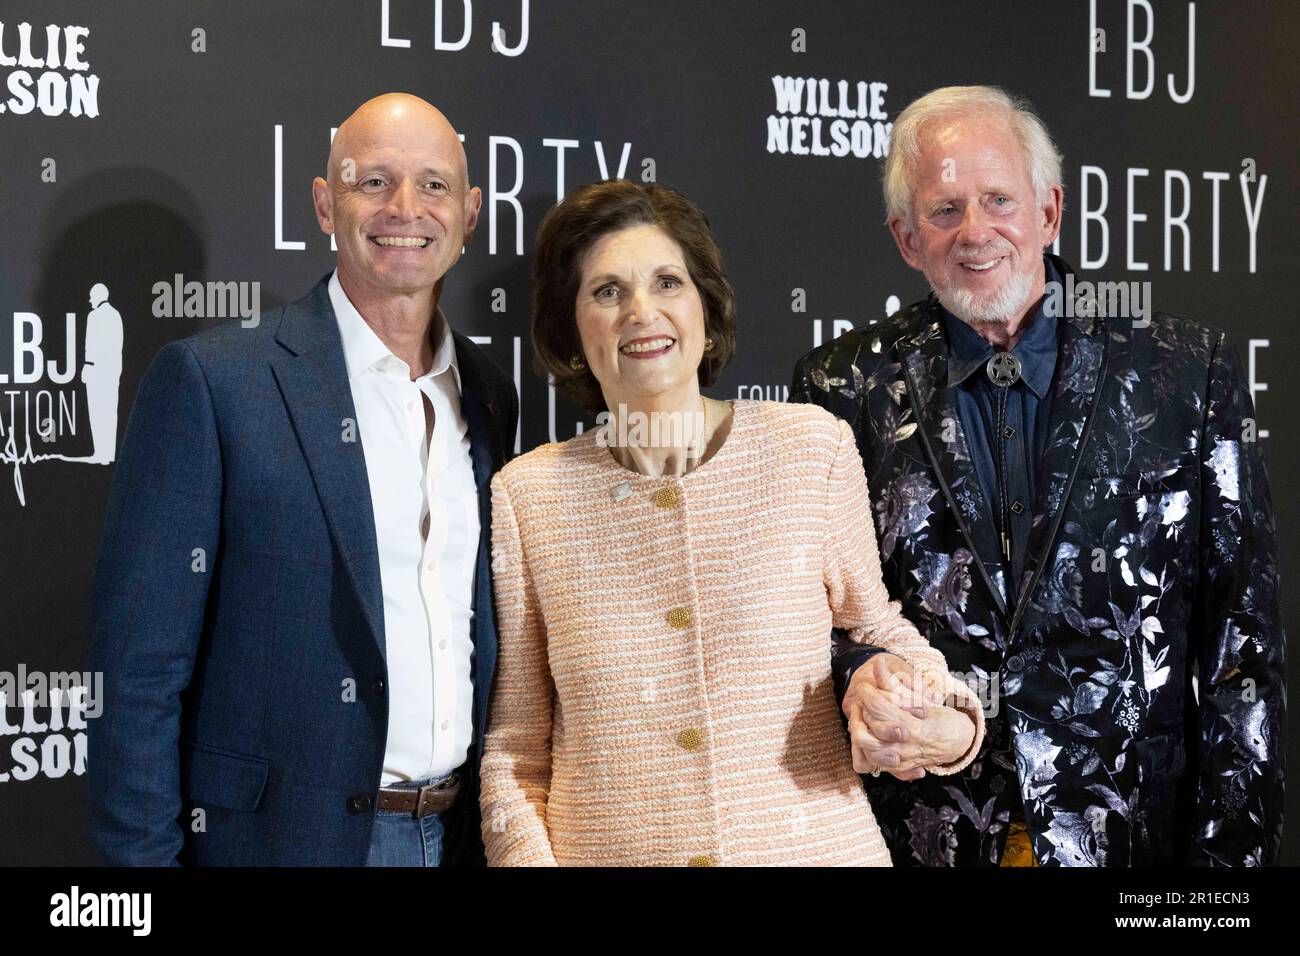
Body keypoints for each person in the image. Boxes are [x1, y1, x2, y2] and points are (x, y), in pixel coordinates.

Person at [792, 85, 1286, 866]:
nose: (975, 231)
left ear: (1049, 212)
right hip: (917, 836)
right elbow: (808, 620)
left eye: (998, 200)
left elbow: (1241, 653)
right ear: (906, 239)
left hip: (1133, 842)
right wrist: (865, 677)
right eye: (944, 209)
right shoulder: (840, 386)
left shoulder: (1189, 374)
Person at [478, 179, 984, 866]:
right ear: (571, 332)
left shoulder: (809, 448)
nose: (641, 311)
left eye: (667, 283)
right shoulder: (528, 497)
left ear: (707, 312)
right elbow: (516, 754)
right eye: (607, 291)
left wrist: (951, 718)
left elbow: (878, 629)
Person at [86, 93, 518, 866]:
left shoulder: (488, 392)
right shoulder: (215, 382)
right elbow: (137, 674)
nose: (405, 208)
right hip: (280, 843)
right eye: (373, 181)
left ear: (470, 214)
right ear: (325, 204)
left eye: (434, 185)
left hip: (461, 839)